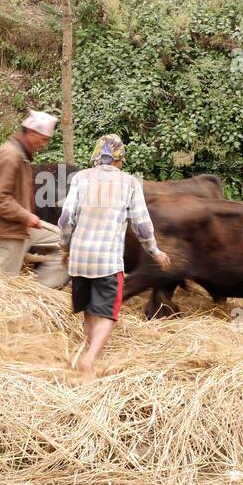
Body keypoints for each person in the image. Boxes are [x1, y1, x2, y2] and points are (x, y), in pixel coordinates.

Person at [59, 134, 171, 377]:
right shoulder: (129, 183)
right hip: (107, 262)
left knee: (90, 308)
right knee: (108, 312)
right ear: (119, 160)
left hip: (79, 261)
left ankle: (89, 354)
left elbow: (66, 219)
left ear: (96, 156)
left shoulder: (80, 178)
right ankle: (89, 359)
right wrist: (155, 251)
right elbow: (141, 225)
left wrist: (65, 248)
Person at [0, 110, 68, 287]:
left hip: (21, 226)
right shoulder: (10, 155)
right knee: (4, 285)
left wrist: (25, 218)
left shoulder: (20, 155)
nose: (44, 145)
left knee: (67, 244)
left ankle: (42, 288)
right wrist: (26, 216)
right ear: (32, 133)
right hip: (11, 229)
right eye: (43, 139)